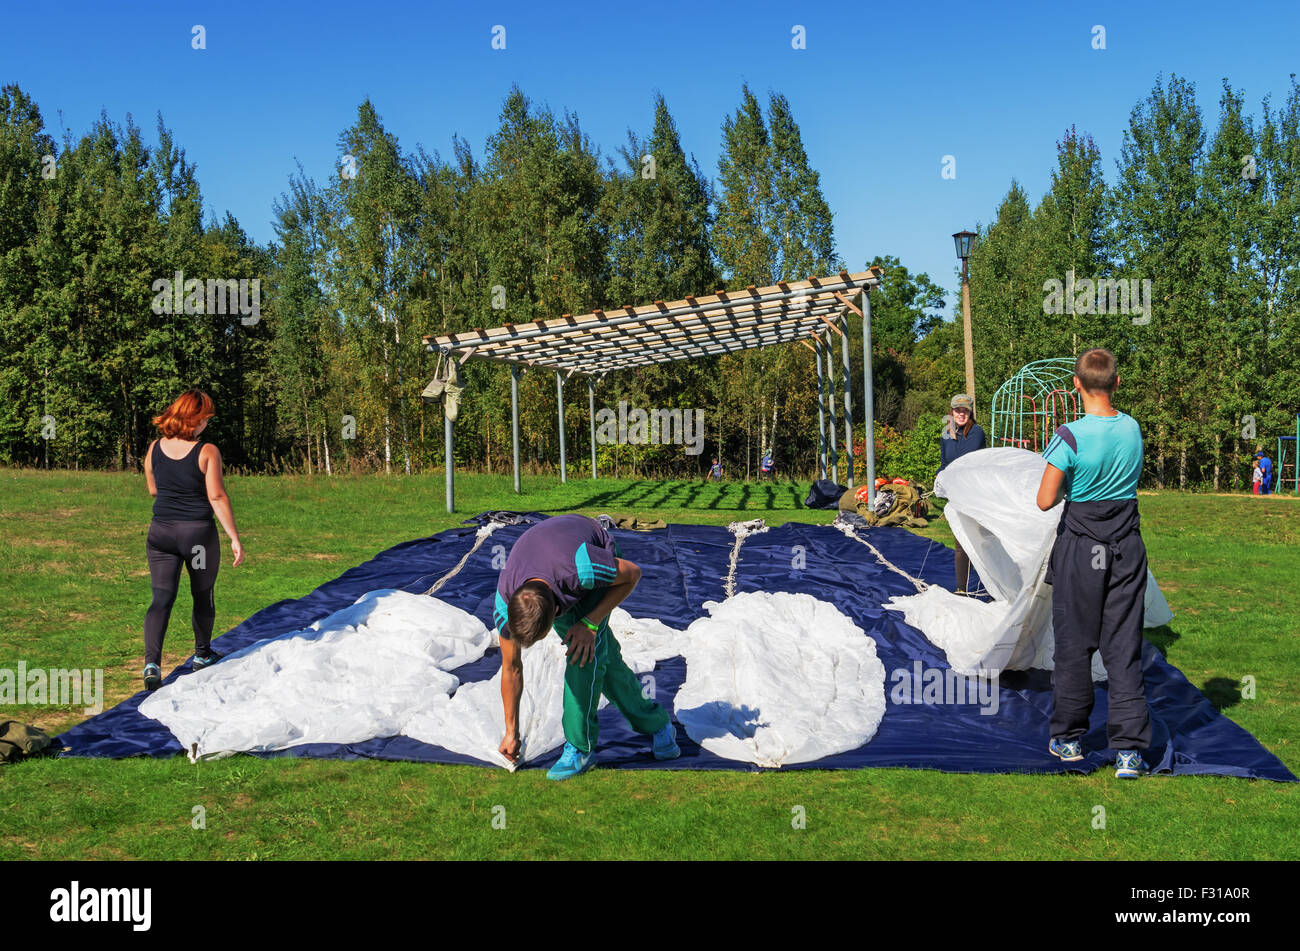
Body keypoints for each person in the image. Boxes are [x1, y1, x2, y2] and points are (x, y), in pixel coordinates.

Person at [492, 513, 679, 779]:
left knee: (583, 655)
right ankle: (657, 724)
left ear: (557, 611)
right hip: (552, 559)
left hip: (588, 551)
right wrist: (512, 732)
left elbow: (633, 574)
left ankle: (579, 747)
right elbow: (511, 668)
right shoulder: (505, 603)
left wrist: (590, 623)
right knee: (605, 659)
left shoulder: (586, 568)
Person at [1036, 349, 1151, 779]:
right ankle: (1129, 752)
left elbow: (1045, 499)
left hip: (1083, 548)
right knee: (1123, 648)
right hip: (1126, 545)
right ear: (1117, 383)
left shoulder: (1069, 435)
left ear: (1076, 386)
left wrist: (1069, 479)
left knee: (1074, 646)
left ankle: (1068, 738)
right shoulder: (1132, 428)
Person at [141, 390, 244, 690]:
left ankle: (151, 664)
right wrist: (234, 537)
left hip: (161, 536)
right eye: (205, 419)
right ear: (194, 420)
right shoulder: (206, 451)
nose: (207, 424)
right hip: (196, 539)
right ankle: (202, 655)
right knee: (202, 593)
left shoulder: (154, 448)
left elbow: (153, 489)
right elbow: (216, 495)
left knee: (161, 597)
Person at [937, 394, 986, 593]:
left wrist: (948, 472)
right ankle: (961, 588)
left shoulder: (976, 432)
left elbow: (962, 459)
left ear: (970, 412)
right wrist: (939, 478)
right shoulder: (946, 433)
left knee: (981, 543)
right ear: (952, 411)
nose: (961, 414)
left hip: (976, 494)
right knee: (960, 542)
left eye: (965, 410)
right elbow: (944, 462)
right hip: (956, 495)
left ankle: (992, 589)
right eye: (957, 410)